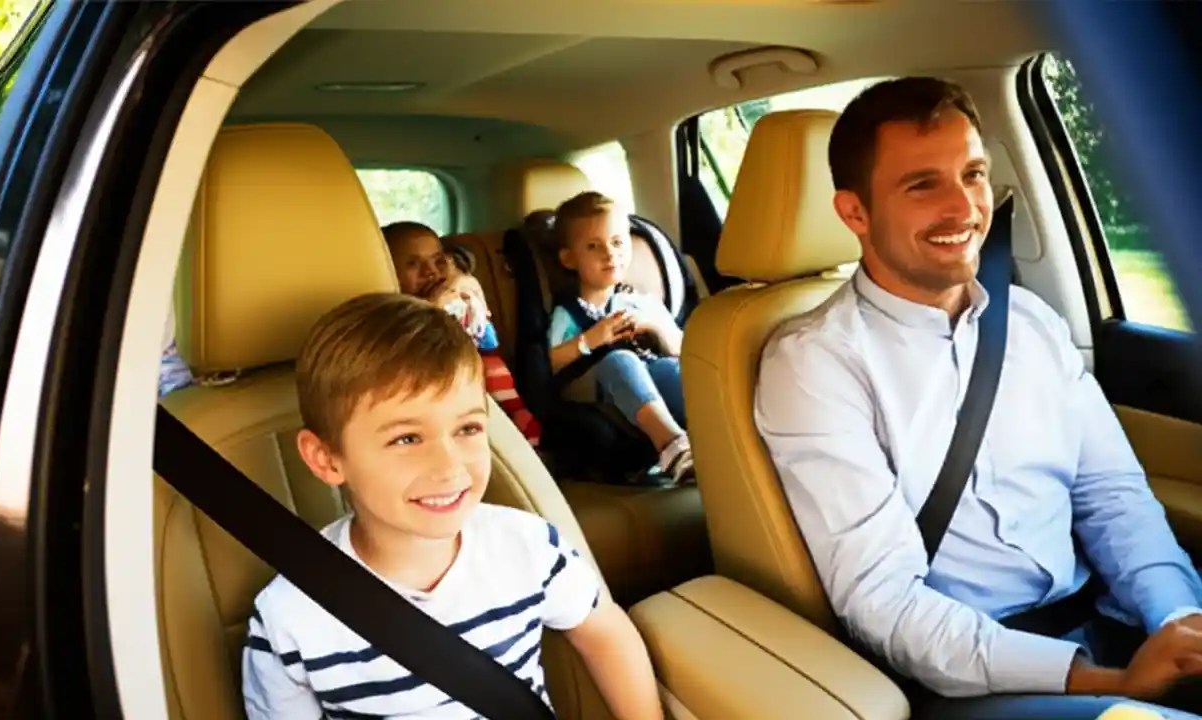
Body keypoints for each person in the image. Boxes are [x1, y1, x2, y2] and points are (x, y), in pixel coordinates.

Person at [754, 76, 1202, 708]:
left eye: (973, 174)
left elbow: (1112, 496)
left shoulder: (1033, 323)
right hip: (980, 678)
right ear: (854, 213)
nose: (964, 208)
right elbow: (884, 600)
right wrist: (1108, 683)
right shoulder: (815, 364)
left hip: (1109, 623)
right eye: (922, 185)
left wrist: (1177, 621)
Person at [241, 293, 662, 719]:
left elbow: (605, 633)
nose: (449, 466)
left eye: (468, 428)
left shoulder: (529, 547)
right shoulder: (290, 616)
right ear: (326, 459)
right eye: (406, 438)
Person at [546, 192, 693, 485]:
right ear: (569, 258)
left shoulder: (640, 302)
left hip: (642, 378)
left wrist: (654, 329)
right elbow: (549, 364)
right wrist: (589, 340)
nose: (609, 253)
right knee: (621, 360)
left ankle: (708, 436)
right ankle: (672, 445)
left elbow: (685, 351)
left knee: (669, 369)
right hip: (589, 386)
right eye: (593, 246)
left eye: (617, 242)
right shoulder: (568, 312)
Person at [383, 221, 542, 448]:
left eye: (438, 261)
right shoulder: (394, 319)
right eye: (413, 264)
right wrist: (435, 308)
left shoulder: (457, 294)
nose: (430, 271)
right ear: (388, 272)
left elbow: (487, 340)